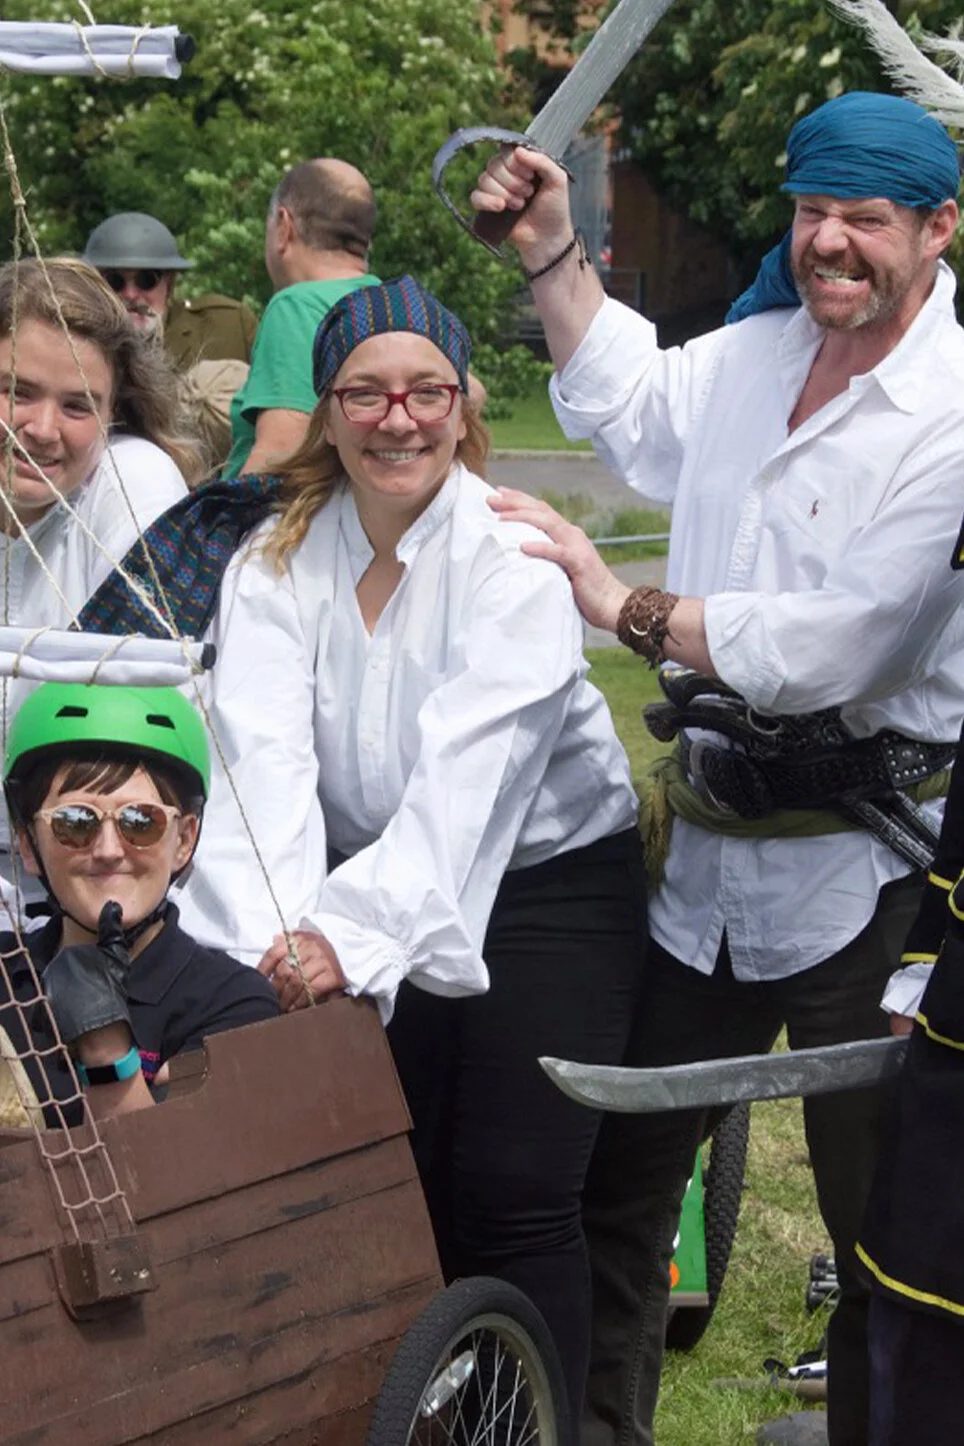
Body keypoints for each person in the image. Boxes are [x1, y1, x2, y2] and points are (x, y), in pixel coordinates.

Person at [472, 90, 964, 1446]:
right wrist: (551, 250)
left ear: (938, 228)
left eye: (866, 219)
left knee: (885, 1233)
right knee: (621, 1199)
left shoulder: (954, 414)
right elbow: (633, 403)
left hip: (871, 878)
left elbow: (838, 650)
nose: (831, 243)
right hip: (705, 867)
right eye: (813, 212)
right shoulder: (758, 352)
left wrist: (621, 603)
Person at [103, 273, 645, 1423]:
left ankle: (542, 1422)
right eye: (365, 393)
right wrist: (274, 950)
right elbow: (263, 768)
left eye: (424, 391)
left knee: (511, 1187)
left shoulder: (510, 562)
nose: (397, 419)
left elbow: (470, 785)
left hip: (545, 889)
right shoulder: (273, 563)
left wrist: (342, 940)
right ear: (330, 407)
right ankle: (415, 1414)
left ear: (462, 404)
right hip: (355, 875)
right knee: (378, 1173)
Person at [0, 256, 198, 910]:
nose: (42, 429)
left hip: (96, 884)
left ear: (115, 414)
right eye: (17, 391)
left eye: (77, 405)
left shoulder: (132, 484)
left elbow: (131, 756)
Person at [0, 683, 278, 1125]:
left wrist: (105, 1045)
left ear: (184, 840)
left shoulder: (234, 1003)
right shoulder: (5, 969)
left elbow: (179, 1181)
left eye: (140, 822)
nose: (109, 849)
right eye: (75, 822)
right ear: (28, 845)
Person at [222, 159, 380, 478]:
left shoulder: (297, 308)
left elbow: (279, 455)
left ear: (284, 227)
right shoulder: (389, 304)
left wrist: (212, 525)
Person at [82, 211, 258, 370]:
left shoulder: (228, 326)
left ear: (170, 282)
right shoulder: (76, 342)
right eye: (115, 282)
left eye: (146, 280)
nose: (131, 294)